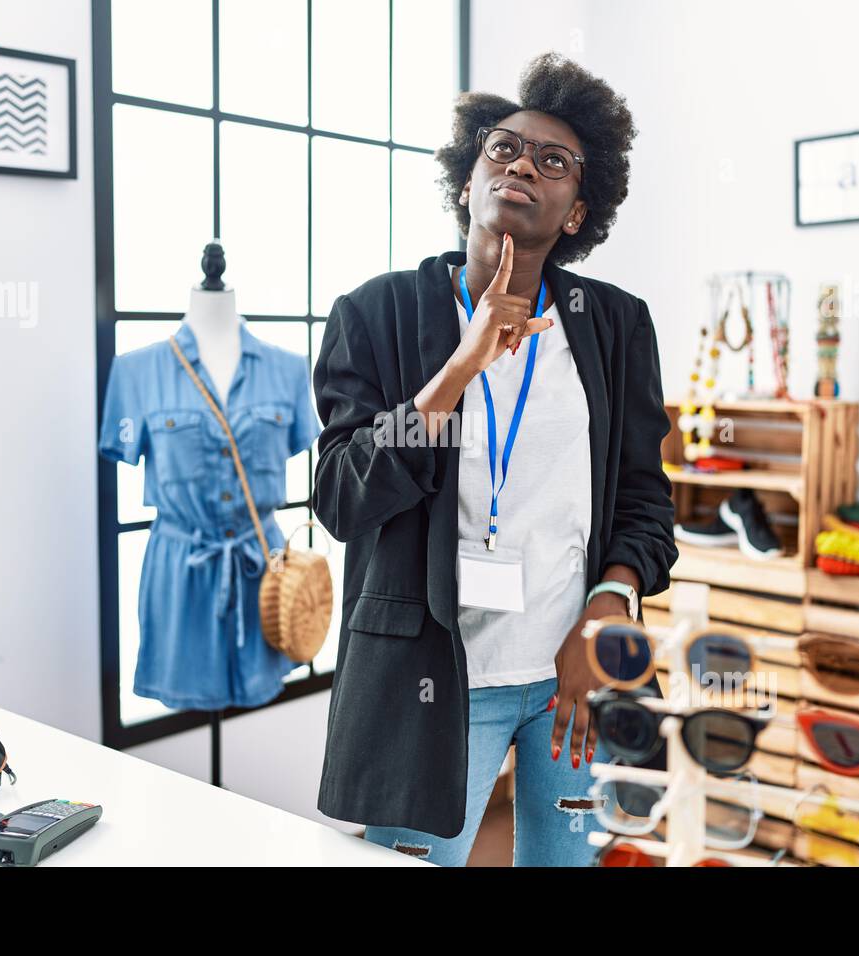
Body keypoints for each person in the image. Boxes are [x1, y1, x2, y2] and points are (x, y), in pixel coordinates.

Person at [311, 52, 677, 866]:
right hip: (430, 685)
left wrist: (609, 606)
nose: (522, 165)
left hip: (571, 684)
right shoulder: (376, 314)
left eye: (554, 161)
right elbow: (339, 495)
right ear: (467, 180)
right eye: (502, 148)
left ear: (578, 211)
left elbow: (646, 501)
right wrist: (458, 371)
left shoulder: (614, 326)